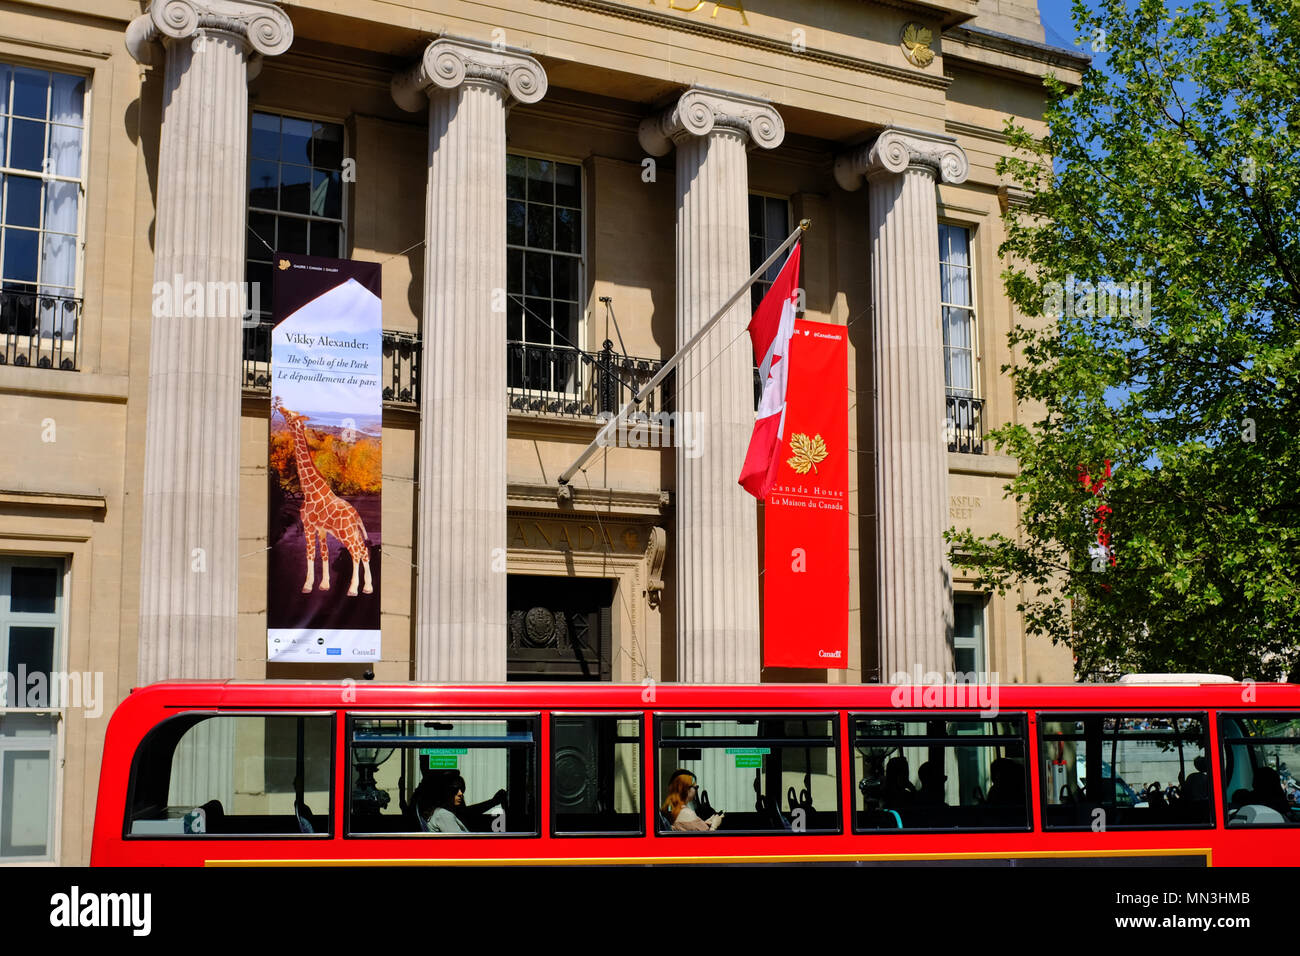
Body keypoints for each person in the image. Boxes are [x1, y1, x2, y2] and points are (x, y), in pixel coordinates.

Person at [414, 771, 507, 833]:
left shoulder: (445, 812)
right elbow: (461, 844)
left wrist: (493, 802)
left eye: (462, 789)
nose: (460, 793)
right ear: (445, 791)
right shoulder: (443, 815)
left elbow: (468, 812)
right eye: (455, 790)